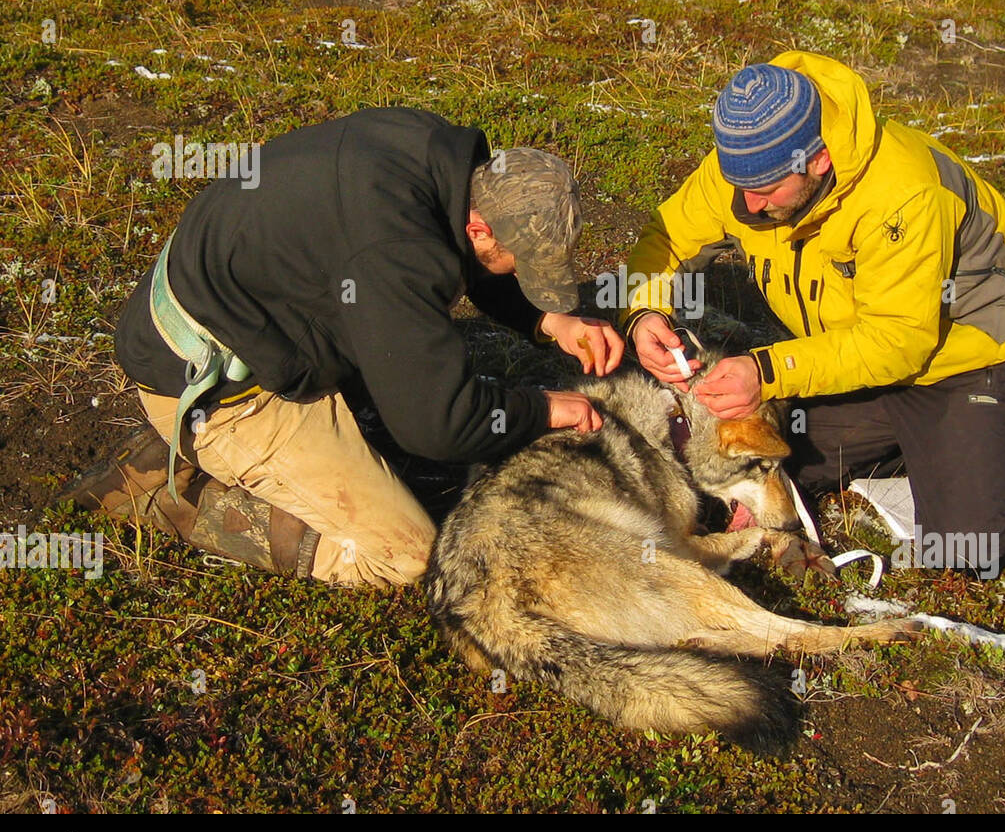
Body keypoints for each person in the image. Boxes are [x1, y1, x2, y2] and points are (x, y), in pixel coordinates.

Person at [63, 108, 623, 586]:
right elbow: (437, 425)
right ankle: (179, 496)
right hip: (219, 387)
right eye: (521, 265)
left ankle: (195, 449)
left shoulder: (433, 157)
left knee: (404, 424)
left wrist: (549, 320)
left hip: (233, 320)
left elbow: (456, 256)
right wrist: (543, 408)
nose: (526, 276)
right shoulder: (395, 253)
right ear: (479, 227)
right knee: (407, 556)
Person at [622, 51, 1005, 577]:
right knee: (775, 460)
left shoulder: (905, 194)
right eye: (739, 186)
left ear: (818, 161)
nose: (749, 205)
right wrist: (646, 310)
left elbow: (899, 340)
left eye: (765, 192)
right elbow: (669, 237)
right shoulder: (751, 162)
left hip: (963, 359)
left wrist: (767, 372)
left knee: (969, 547)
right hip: (851, 354)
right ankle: (940, 446)